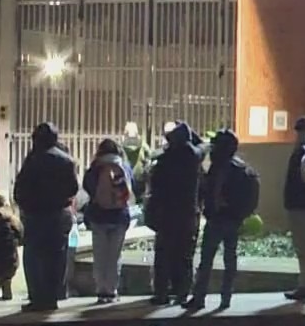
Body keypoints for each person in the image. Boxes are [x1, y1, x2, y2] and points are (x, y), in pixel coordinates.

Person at [184, 130, 259, 311]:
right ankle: (225, 298)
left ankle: (200, 298)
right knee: (229, 260)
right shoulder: (241, 168)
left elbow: (210, 192)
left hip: (218, 218)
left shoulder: (220, 167)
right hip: (233, 219)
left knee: (207, 259)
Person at [12, 122, 79, 312]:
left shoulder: (33, 159)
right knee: (56, 257)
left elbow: (20, 188)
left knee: (34, 256)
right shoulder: (66, 161)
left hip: (34, 214)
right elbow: (73, 188)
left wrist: (25, 205)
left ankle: (37, 296)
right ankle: (52, 296)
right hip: (58, 214)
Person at [144, 122, 204, 306]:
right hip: (187, 213)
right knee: (185, 256)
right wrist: (189, 131)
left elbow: (155, 189)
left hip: (167, 214)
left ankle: (161, 293)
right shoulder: (194, 159)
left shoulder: (163, 160)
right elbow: (202, 144)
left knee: (163, 255)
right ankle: (182, 292)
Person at [82, 139, 134, 304]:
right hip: (119, 216)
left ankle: (101, 290)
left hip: (99, 216)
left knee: (100, 255)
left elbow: (88, 187)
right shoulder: (124, 167)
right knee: (114, 256)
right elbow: (131, 189)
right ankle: (112, 291)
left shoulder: (95, 168)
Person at [284, 118, 305, 301]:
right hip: (297, 205)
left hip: (300, 207)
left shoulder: (303, 153)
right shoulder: (299, 152)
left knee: (303, 249)